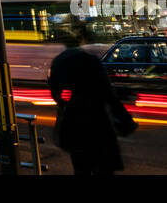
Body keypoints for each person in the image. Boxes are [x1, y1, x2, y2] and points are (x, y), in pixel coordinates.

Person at [48, 43, 136, 175]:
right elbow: (110, 95)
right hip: (99, 122)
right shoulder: (92, 61)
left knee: (81, 168)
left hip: (75, 124)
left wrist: (62, 104)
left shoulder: (61, 62)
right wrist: (125, 120)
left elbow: (55, 90)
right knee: (105, 167)